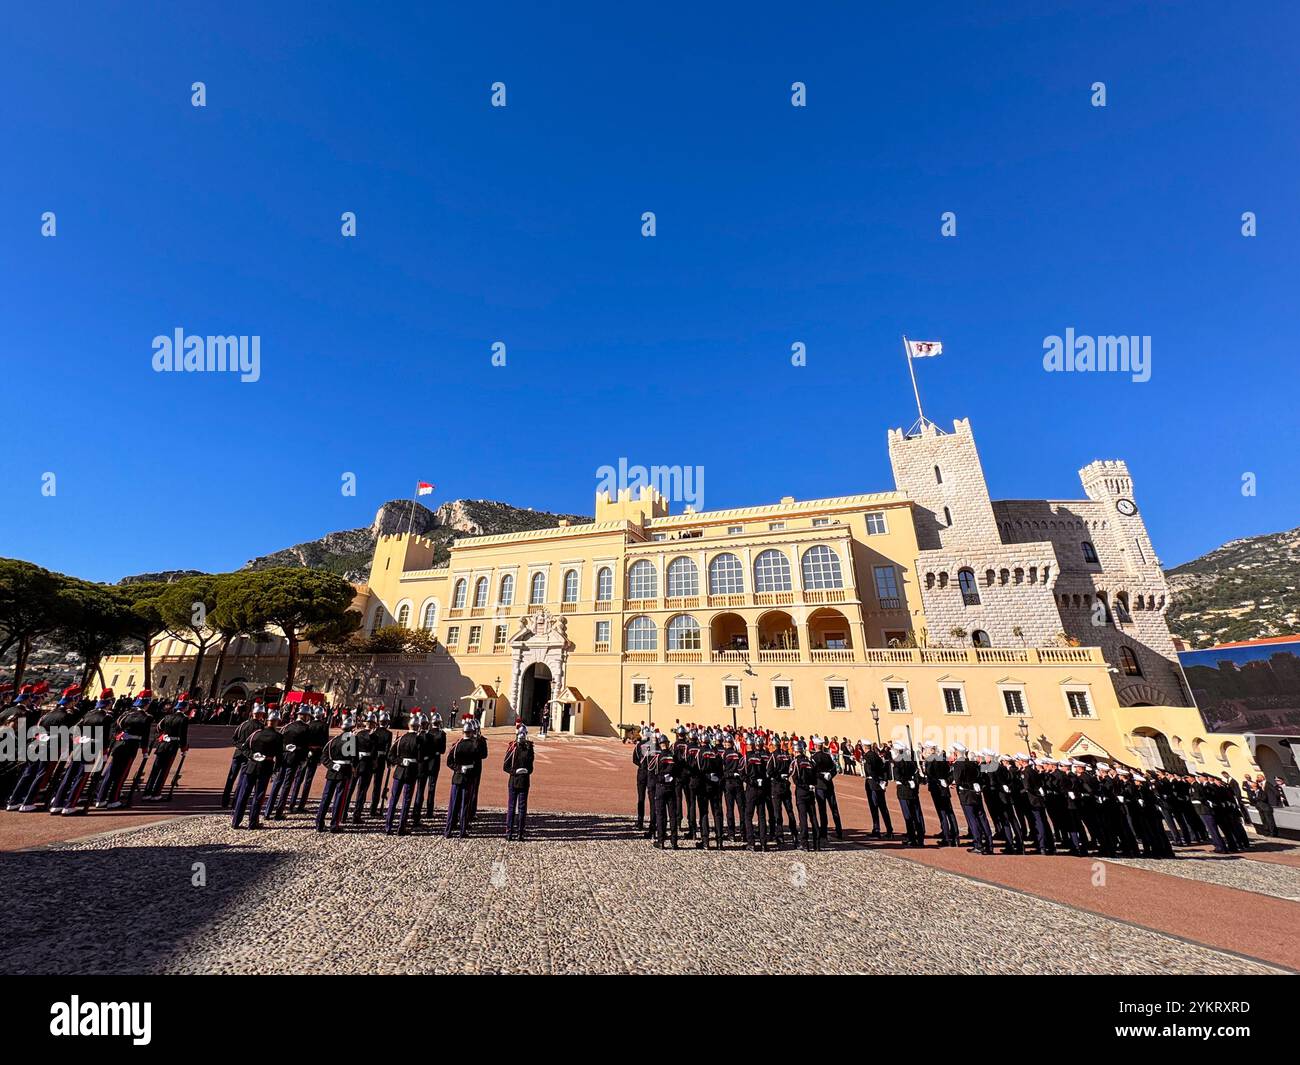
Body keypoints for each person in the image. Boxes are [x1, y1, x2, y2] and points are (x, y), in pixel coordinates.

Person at [93, 690, 153, 810]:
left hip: (118, 744)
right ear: (147, 703)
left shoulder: (126, 714)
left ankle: (101, 798)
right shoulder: (146, 717)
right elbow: (145, 736)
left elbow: (115, 728)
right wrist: (145, 751)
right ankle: (113, 799)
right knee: (121, 774)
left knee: (110, 773)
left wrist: (113, 742)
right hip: (130, 746)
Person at [231, 707, 284, 830]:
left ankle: (236, 821)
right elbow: (280, 756)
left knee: (244, 794)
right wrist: (276, 770)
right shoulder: (278, 737)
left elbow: (244, 747)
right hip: (265, 766)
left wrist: (252, 755)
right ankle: (252, 822)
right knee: (258, 796)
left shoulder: (256, 734)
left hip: (251, 765)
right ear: (276, 722)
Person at [266, 705, 313, 820]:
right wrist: (303, 759)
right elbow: (306, 747)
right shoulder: (307, 729)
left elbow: (280, 741)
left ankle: (268, 811)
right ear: (305, 716)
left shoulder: (287, 726)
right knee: (286, 785)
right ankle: (278, 813)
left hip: (282, 757)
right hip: (294, 758)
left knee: (277, 784)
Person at [445, 716, 487, 838]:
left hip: (457, 777)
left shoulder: (456, 745)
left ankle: (448, 830)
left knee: (453, 805)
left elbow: (449, 762)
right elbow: (480, 757)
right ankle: (462, 830)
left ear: (463, 732)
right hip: (468, 777)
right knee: (464, 805)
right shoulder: (475, 745)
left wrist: (458, 768)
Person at [141, 696, 190, 800]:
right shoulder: (184, 718)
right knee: (164, 770)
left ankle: (147, 792)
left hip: (162, 743)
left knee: (155, 769)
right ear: (184, 707)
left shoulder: (167, 717)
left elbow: (158, 728)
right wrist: (183, 749)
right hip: (172, 745)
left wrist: (164, 736)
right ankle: (156, 793)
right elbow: (183, 735)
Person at [315, 714, 358, 833]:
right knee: (339, 798)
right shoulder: (351, 740)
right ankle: (334, 824)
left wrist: (332, 765)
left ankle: (319, 823)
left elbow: (324, 756)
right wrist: (354, 767)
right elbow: (354, 757)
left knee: (326, 797)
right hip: (344, 771)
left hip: (332, 771)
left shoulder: (333, 740)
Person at [385, 712, 423, 836]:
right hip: (411, 772)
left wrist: (400, 761)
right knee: (406, 800)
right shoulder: (418, 740)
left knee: (393, 800)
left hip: (400, 771)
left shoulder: (401, 739)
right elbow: (420, 758)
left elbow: (391, 756)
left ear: (408, 726)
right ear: (418, 727)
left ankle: (388, 826)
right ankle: (401, 827)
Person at [222, 702, 265, 808]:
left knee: (231, 778)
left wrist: (240, 746)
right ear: (260, 714)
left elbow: (234, 739)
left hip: (238, 753)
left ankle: (225, 800)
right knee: (242, 779)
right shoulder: (261, 727)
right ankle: (236, 801)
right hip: (249, 755)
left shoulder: (243, 724)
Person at [953, 744, 993, 855]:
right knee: (982, 818)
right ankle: (989, 843)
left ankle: (978, 844)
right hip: (976, 794)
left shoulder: (958, 764)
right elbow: (979, 777)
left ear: (957, 752)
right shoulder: (973, 764)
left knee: (972, 820)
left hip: (966, 795)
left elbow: (958, 779)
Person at [924, 740, 959, 846]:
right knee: (950, 812)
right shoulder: (942, 759)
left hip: (936, 789)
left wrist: (937, 780)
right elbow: (950, 772)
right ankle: (955, 836)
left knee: (942, 812)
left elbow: (930, 775)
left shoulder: (930, 760)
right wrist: (946, 781)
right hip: (944, 788)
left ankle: (947, 837)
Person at [503, 723, 535, 841]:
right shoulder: (514, 748)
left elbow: (530, 768)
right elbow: (506, 766)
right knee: (513, 807)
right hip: (516, 780)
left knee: (520, 808)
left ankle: (519, 832)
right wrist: (516, 771)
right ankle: (510, 832)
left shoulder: (528, 748)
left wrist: (523, 771)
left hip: (522, 781)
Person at [694, 731, 726, 850]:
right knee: (717, 813)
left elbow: (697, 769)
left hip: (704, 784)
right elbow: (720, 769)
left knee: (704, 813)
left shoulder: (699, 753)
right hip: (715, 784)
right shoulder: (715, 752)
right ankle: (719, 840)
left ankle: (705, 840)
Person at [415, 710, 447, 825]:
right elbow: (442, 750)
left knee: (420, 787)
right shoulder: (441, 734)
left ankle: (417, 810)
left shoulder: (426, 733)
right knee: (431, 787)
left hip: (423, 763)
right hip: (434, 761)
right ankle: (429, 810)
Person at [741, 732, 772, 851]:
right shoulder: (760, 757)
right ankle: (764, 843)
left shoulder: (745, 758)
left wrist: (751, 781)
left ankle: (751, 843)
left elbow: (742, 774)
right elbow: (766, 772)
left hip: (751, 788)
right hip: (762, 788)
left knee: (748, 816)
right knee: (762, 816)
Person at [649, 732, 680, 849]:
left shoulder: (657, 757)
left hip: (661, 787)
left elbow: (651, 771)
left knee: (661, 815)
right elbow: (678, 771)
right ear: (667, 744)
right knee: (672, 815)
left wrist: (661, 778)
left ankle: (661, 841)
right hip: (671, 788)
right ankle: (674, 842)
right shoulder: (673, 757)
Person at [789, 740, 821, 852]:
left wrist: (805, 786)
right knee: (813, 817)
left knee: (803, 819)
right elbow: (816, 775)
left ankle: (805, 843)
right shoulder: (810, 762)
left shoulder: (795, 763)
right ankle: (817, 843)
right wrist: (811, 785)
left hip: (802, 792)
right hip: (811, 791)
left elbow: (795, 779)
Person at [810, 736, 844, 841]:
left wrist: (822, 776)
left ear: (815, 746)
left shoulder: (814, 758)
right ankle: (839, 831)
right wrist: (829, 774)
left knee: (822, 810)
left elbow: (813, 773)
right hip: (829, 784)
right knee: (834, 809)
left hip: (820, 785)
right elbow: (834, 769)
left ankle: (824, 832)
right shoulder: (827, 756)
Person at [892, 742, 925, 847]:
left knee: (908, 816)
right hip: (913, 791)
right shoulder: (910, 761)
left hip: (904, 792)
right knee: (917, 815)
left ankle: (911, 838)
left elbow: (898, 777)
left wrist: (907, 782)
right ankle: (920, 838)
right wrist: (914, 785)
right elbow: (916, 776)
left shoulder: (898, 762)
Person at [863, 743, 894, 839]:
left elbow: (870, 770)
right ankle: (889, 830)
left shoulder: (867, 756)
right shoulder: (876, 755)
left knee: (874, 807)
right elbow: (884, 768)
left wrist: (877, 781)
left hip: (872, 783)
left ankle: (876, 829)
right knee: (883, 808)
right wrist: (884, 781)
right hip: (879, 783)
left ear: (865, 748)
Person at [368, 711, 394, 816]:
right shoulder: (388, 733)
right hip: (381, 759)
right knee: (377, 785)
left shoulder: (374, 732)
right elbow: (388, 749)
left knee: (365, 784)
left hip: (371, 759)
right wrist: (389, 761)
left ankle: (360, 808)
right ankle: (373, 809)